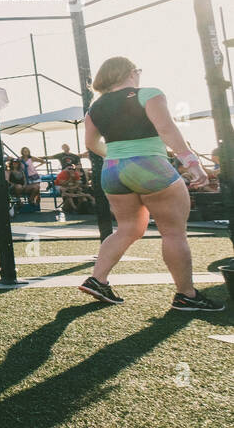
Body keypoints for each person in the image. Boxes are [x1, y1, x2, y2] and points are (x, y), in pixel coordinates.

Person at [79, 57, 222, 309]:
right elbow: (166, 129)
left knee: (127, 228)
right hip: (148, 164)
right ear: (131, 73)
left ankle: (97, 279)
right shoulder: (148, 93)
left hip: (113, 170)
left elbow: (91, 144)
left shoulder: (94, 108)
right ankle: (186, 295)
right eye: (138, 71)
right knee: (174, 232)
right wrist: (192, 163)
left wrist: (118, 158)